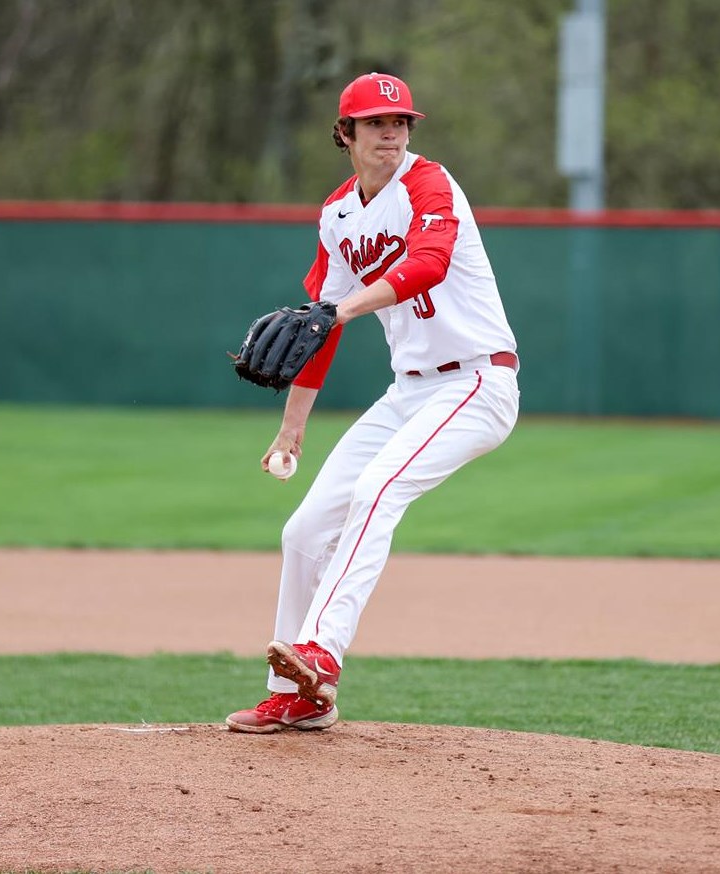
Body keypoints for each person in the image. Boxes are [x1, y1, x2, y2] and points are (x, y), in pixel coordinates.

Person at [225, 72, 520, 733]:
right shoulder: (337, 215)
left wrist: (344, 310)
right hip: (411, 391)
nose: (391, 133)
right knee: (302, 532)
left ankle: (321, 651)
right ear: (346, 134)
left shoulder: (429, 184)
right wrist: (292, 428)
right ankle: (294, 697)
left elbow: (429, 264)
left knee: (379, 488)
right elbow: (318, 330)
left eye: (400, 122)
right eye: (376, 123)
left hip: (476, 382)